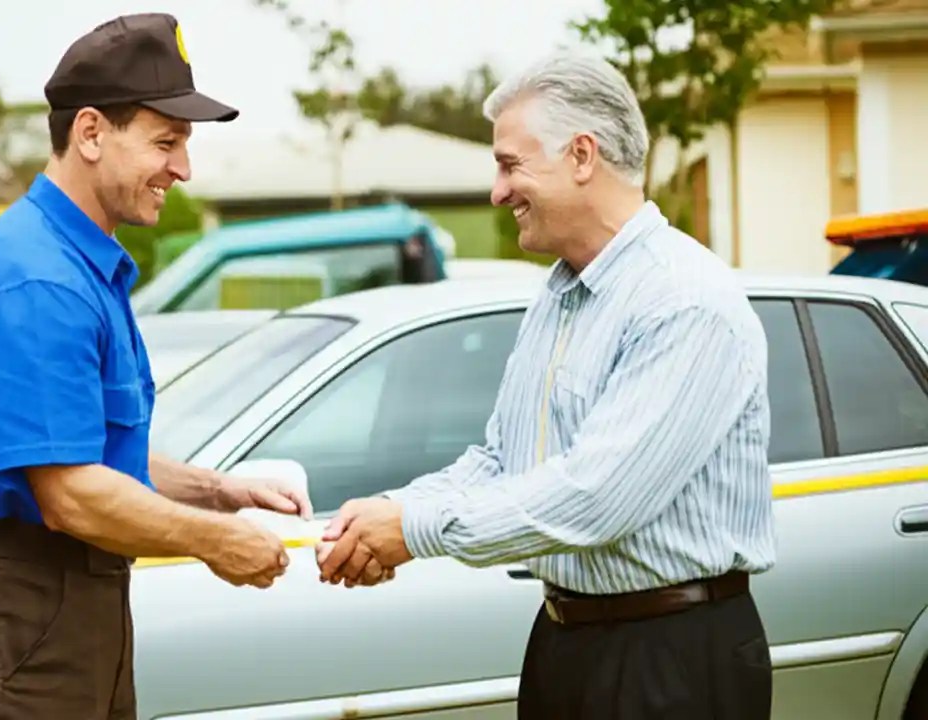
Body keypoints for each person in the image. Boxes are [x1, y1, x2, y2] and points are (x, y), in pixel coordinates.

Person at [316, 52, 777, 720]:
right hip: (568, 643)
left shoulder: (686, 302)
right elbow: (503, 460)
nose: (498, 192)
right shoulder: (558, 295)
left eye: (510, 164)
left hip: (671, 660)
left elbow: (596, 500)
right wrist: (388, 511)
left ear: (583, 155)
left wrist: (413, 529)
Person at [0, 13, 312, 720]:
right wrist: (217, 543)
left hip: (66, 590)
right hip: (33, 594)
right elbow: (70, 493)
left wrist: (217, 491)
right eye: (166, 142)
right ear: (91, 133)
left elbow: (94, 448)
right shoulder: (34, 278)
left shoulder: (75, 261)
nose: (184, 169)